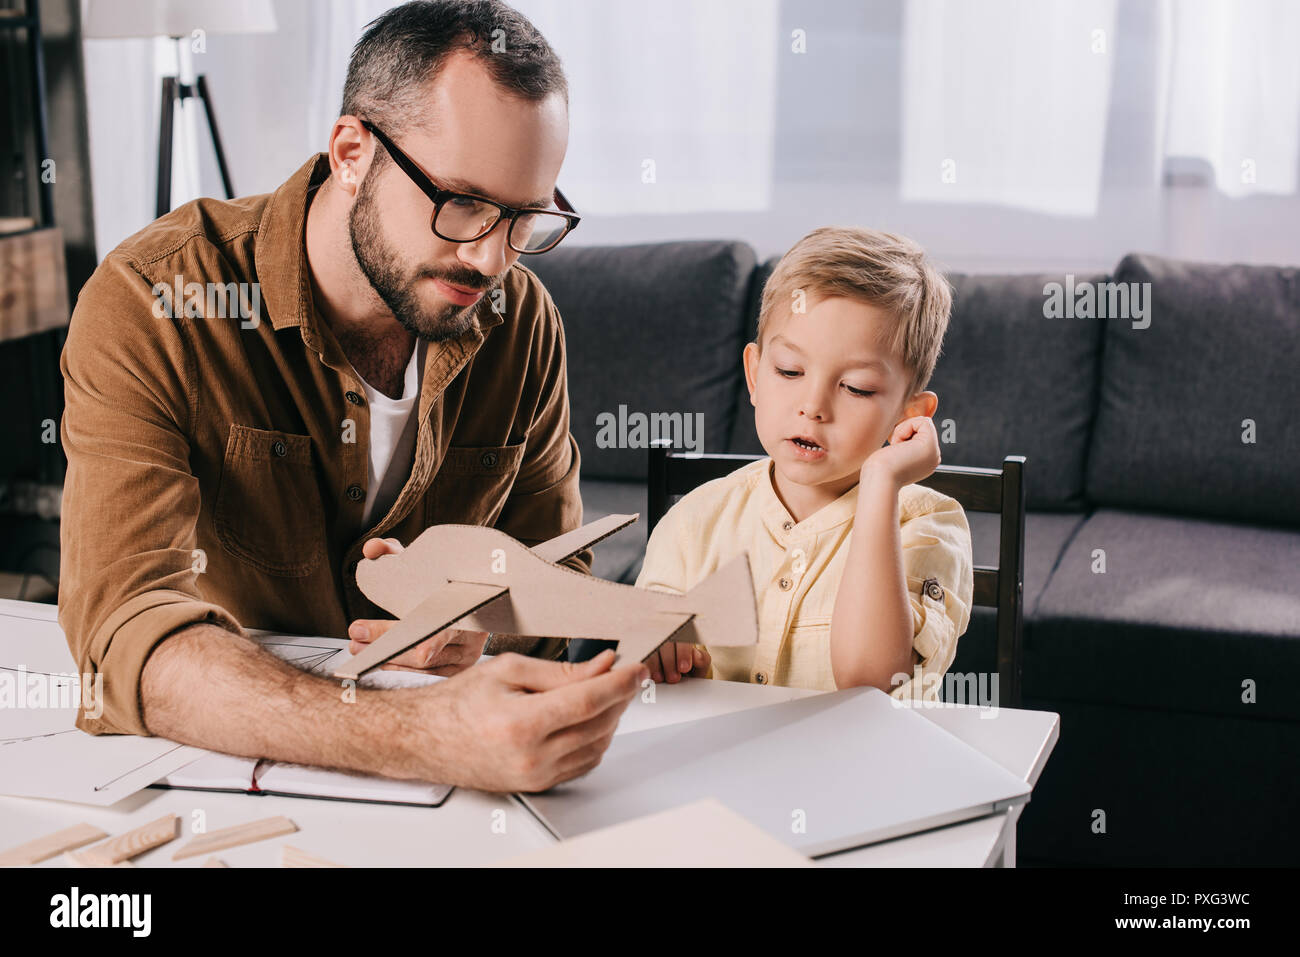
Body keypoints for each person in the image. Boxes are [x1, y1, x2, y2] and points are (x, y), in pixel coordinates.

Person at [57, 0, 644, 793]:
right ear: (351, 153)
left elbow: (548, 592)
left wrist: (480, 629)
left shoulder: (522, 320)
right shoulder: (151, 302)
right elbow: (124, 635)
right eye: (463, 203)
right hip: (214, 775)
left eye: (524, 218)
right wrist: (417, 733)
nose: (491, 258)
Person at [637, 226, 974, 700]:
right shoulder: (694, 522)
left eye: (856, 387)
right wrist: (655, 646)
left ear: (907, 415)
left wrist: (881, 480)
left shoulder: (928, 525)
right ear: (754, 374)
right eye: (789, 371)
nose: (813, 405)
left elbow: (868, 685)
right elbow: (645, 664)